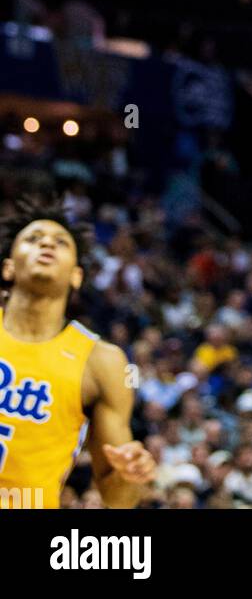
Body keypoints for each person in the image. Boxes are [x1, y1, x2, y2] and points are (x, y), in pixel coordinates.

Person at [0, 197, 156, 508]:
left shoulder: (101, 362)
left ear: (77, 276)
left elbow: (117, 498)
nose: (47, 244)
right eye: (33, 239)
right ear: (8, 267)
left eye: (61, 242)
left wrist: (130, 474)